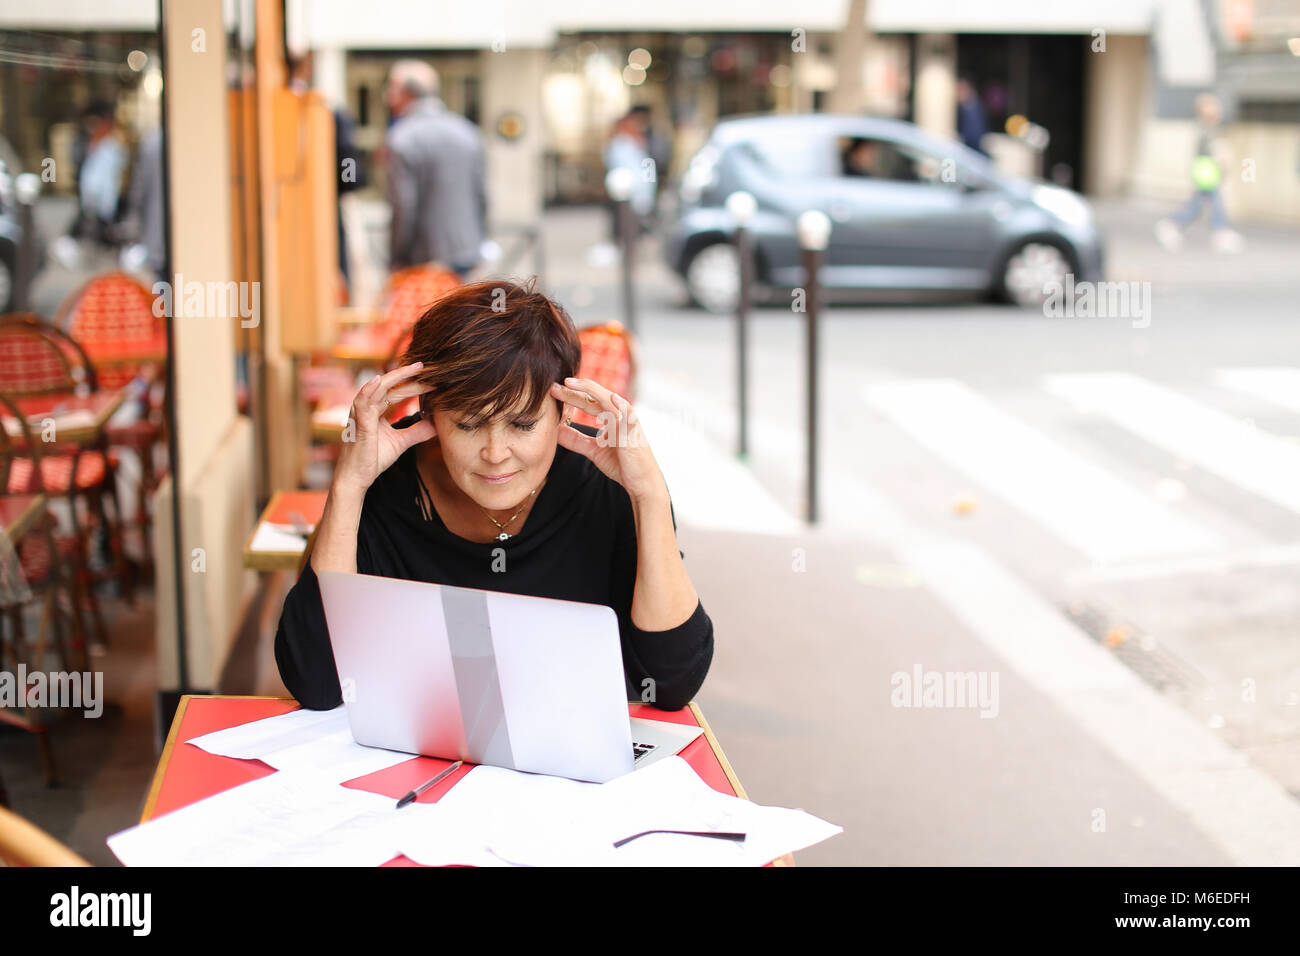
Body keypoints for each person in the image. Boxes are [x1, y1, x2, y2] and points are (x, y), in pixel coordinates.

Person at [274, 278, 714, 712]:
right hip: (419, 755)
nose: (495, 454)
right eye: (466, 425)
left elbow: (672, 681)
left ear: (563, 410)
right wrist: (349, 486)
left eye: (523, 425)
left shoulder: (607, 482)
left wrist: (649, 496)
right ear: (428, 412)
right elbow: (317, 682)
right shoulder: (386, 481)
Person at [384, 60, 486, 278]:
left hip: (422, 260)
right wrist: (480, 244)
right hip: (466, 253)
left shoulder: (402, 138)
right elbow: (482, 195)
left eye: (392, 89)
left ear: (407, 94)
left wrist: (396, 259)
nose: (387, 97)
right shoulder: (468, 132)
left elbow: (403, 206)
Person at [1155, 93, 1243, 253]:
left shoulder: (1208, 128)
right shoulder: (1206, 129)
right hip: (1206, 171)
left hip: (1206, 171)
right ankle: (1219, 231)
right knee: (1213, 200)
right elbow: (1213, 153)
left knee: (1199, 203)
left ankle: (1172, 224)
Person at [956, 77, 988, 156]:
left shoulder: (971, 108)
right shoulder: (969, 107)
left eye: (959, 91)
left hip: (973, 152)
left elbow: (974, 136)